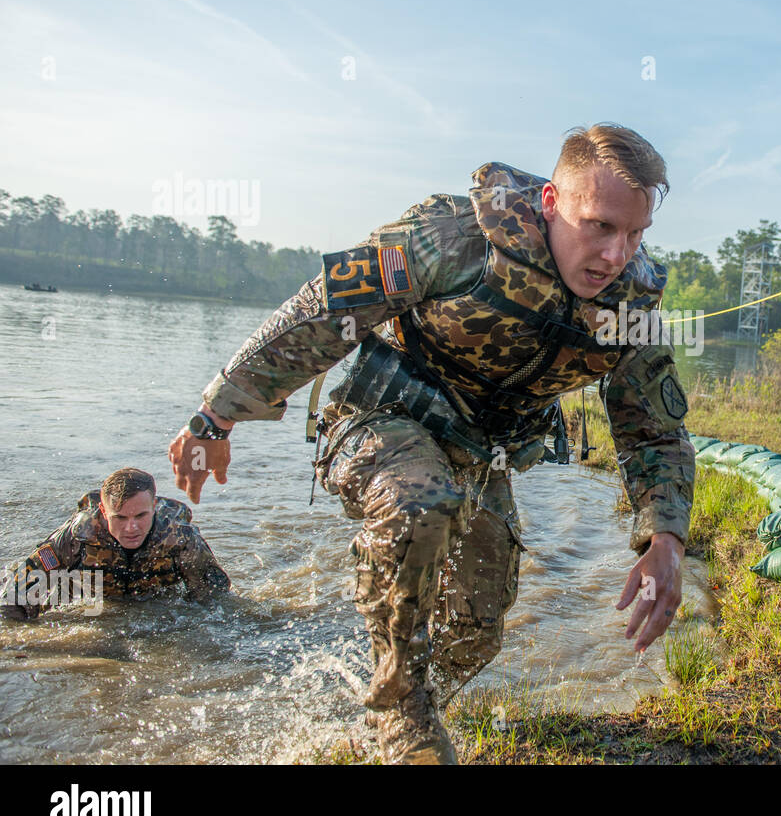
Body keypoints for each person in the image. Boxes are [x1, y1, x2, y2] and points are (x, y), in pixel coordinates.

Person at [167, 124, 695, 764]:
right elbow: (326, 307)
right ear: (553, 203)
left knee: (477, 625)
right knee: (422, 503)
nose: (616, 254)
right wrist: (216, 416)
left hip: (483, 451)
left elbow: (654, 428)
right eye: (601, 226)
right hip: (382, 418)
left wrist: (664, 536)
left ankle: (384, 720)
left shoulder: (629, 304)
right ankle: (402, 714)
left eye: (635, 234)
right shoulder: (453, 239)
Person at [1, 467, 230, 621]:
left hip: (154, 605)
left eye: (141, 516)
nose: (131, 528)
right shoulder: (77, 536)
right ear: (103, 511)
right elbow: (15, 598)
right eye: (120, 518)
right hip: (96, 601)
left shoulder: (180, 538)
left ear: (154, 506)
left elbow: (213, 601)